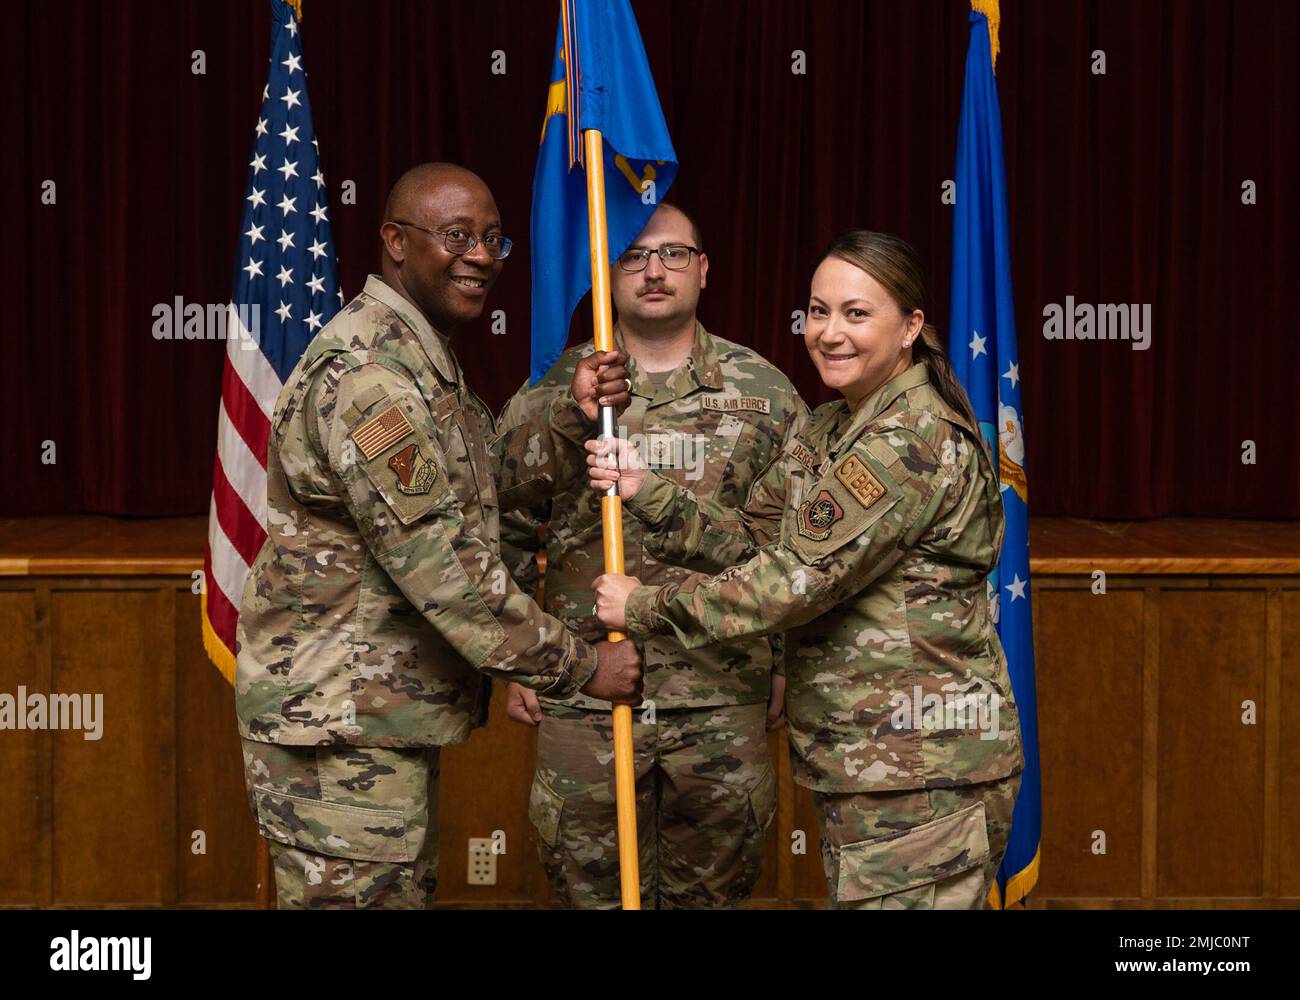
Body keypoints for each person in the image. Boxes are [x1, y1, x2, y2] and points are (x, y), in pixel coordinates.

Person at [234, 162, 642, 909]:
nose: (482, 255)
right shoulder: (371, 377)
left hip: (370, 722)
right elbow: (443, 566)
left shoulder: (417, 359)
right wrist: (579, 666)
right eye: (456, 236)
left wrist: (567, 416)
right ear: (394, 240)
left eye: (493, 239)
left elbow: (480, 490)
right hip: (340, 726)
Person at [588, 230, 1023, 909]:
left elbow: (789, 584)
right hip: (872, 764)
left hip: (923, 770)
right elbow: (753, 543)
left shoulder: (906, 440)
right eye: (819, 311)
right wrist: (648, 489)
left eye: (856, 313)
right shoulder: (827, 428)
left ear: (910, 326)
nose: (829, 333)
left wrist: (642, 608)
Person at [496, 202, 807, 908]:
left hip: (720, 695)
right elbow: (506, 522)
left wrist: (784, 663)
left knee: (714, 896)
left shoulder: (764, 392)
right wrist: (518, 656)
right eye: (634, 256)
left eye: (672, 254)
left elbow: (794, 551)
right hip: (586, 695)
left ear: (703, 269)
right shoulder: (558, 388)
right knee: (591, 894)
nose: (655, 271)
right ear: (608, 272)